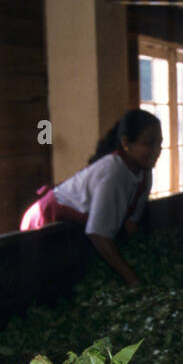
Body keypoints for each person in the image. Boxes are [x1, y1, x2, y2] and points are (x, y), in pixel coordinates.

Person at [20, 109, 162, 286]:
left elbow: (130, 225)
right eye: (149, 143)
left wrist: (145, 258)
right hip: (45, 220)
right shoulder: (114, 173)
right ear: (127, 143)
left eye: (159, 144)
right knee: (45, 281)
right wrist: (133, 279)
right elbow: (98, 234)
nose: (157, 151)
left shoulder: (144, 172)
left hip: (78, 226)